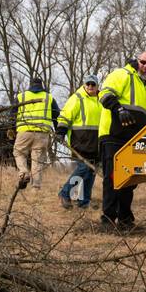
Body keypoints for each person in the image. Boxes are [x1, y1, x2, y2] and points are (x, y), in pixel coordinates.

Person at [98, 50, 146, 229]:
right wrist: (118, 109)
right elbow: (104, 94)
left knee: (129, 180)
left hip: (136, 138)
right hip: (113, 134)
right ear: (137, 60)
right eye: (143, 62)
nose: (145, 66)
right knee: (112, 177)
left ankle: (126, 219)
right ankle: (108, 219)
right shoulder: (122, 74)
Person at [55, 75, 102, 209]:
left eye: (93, 84)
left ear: (97, 86)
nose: (90, 87)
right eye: (88, 84)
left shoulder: (101, 100)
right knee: (84, 168)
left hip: (96, 143)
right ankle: (64, 193)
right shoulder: (77, 98)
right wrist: (60, 132)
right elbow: (65, 115)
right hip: (80, 141)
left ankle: (84, 202)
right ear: (84, 85)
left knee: (91, 173)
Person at [13, 76, 58, 190]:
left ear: (30, 85)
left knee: (19, 153)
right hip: (42, 134)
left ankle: (23, 172)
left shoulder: (21, 96)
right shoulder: (49, 98)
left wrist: (11, 129)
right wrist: (58, 131)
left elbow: (12, 114)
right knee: (38, 160)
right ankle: (35, 188)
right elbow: (56, 116)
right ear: (41, 85)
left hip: (24, 132)